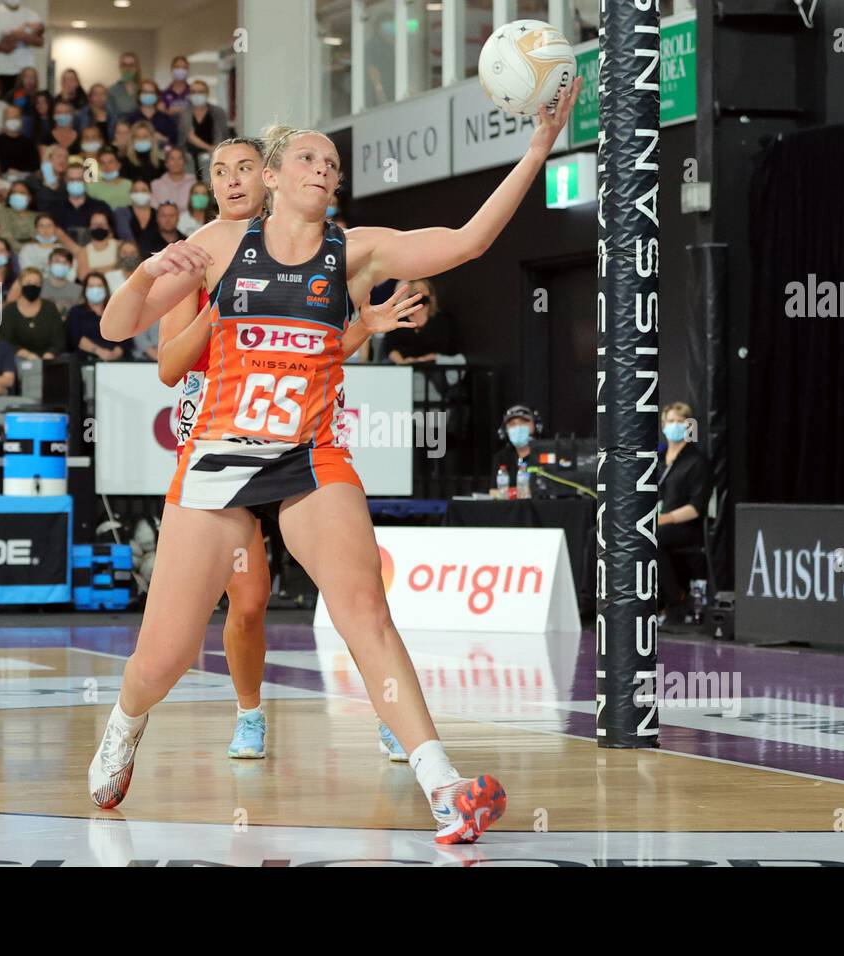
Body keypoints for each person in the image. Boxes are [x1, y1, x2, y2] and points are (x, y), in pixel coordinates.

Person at [91, 92, 580, 835]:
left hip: (310, 455)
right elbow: (116, 325)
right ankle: (125, 724)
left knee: (367, 614)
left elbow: (468, 241)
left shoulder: (355, 250)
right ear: (277, 178)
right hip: (217, 457)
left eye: (334, 163)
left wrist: (538, 149)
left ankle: (443, 786)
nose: (324, 169)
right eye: (310, 158)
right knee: (165, 656)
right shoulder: (221, 245)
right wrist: (147, 271)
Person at [149, 137, 424, 762]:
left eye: (244, 168)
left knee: (354, 591)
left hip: (303, 439)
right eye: (220, 173)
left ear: (268, 177)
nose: (233, 181)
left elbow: (327, 349)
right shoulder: (197, 255)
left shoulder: (326, 245)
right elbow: (168, 367)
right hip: (222, 443)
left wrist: (366, 327)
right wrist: (218, 311)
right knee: (247, 600)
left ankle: (393, 710)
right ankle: (249, 714)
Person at [656, 401, 713, 622]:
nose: (675, 425)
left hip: (685, 528)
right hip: (658, 522)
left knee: (651, 537)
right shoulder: (658, 460)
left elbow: (696, 508)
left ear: (689, 426)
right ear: (663, 425)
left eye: (681, 422)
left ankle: (676, 598)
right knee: (598, 533)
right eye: (671, 421)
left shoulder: (697, 461)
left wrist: (665, 519)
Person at [0, 0, 45, 93]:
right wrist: (0, 47)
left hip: (22, 72)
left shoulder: (32, 15)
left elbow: (40, 41)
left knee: (20, 103)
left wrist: (23, 36)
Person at [381, 277, 457, 363]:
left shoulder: (440, 321)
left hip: (430, 367)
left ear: (431, 296)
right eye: (415, 291)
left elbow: (442, 349)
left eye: (422, 290)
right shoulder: (399, 318)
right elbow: (389, 346)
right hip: (400, 365)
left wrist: (420, 361)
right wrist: (402, 363)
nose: (418, 294)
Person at [0, 268, 62, 360]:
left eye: (36, 283)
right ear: (20, 284)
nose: (32, 286)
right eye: (28, 283)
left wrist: (50, 354)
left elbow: (59, 339)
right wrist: (25, 354)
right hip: (18, 358)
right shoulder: (9, 310)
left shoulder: (50, 308)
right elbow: (5, 341)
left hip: (48, 358)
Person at [65, 271, 127, 361]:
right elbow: (74, 338)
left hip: (116, 362)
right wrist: (99, 351)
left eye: (99, 286)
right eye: (91, 286)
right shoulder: (76, 312)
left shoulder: (115, 311)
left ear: (105, 288)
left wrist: (118, 351)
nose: (95, 289)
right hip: (85, 361)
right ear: (85, 289)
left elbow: (126, 336)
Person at [176, 80, 229, 180]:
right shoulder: (185, 114)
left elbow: (222, 135)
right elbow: (190, 137)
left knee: (209, 161)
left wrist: (215, 149)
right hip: (190, 153)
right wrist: (209, 148)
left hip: (214, 152)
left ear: (207, 93)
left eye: (201, 92)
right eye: (194, 92)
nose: (197, 95)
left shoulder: (218, 112)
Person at [55, 163, 112, 245]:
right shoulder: (56, 208)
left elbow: (110, 233)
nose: (75, 183)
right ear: (65, 180)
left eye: (79, 179)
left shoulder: (101, 207)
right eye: (71, 180)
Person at [491, 404, 539, 492]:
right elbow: (493, 492)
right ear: (506, 430)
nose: (518, 427)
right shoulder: (501, 457)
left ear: (535, 426)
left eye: (523, 422)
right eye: (512, 424)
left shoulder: (545, 454)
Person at [0, 105, 38, 175]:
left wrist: (20, 173)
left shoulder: (29, 143)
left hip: (24, 179)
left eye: (15, 117)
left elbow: (35, 167)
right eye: (9, 118)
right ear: (4, 121)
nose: (13, 120)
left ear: (21, 120)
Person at [128, 80, 178, 148]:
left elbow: (174, 141)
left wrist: (162, 138)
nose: (148, 95)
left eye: (151, 92)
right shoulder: (131, 118)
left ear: (157, 96)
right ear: (139, 95)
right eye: (145, 92)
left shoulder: (166, 118)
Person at [115, 181, 160, 251]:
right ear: (130, 193)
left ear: (151, 192)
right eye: (135, 191)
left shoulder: (158, 214)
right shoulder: (122, 213)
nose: (139, 194)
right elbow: (125, 236)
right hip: (129, 255)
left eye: (144, 190)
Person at [151, 146, 197, 211]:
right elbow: (154, 209)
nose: (176, 162)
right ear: (166, 163)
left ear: (184, 162)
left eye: (179, 158)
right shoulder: (156, 185)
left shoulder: (194, 183)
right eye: (172, 158)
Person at [0, 181, 36, 247]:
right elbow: (5, 236)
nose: (17, 196)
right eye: (14, 193)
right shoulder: (2, 212)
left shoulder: (37, 216)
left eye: (22, 193)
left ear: (30, 197)